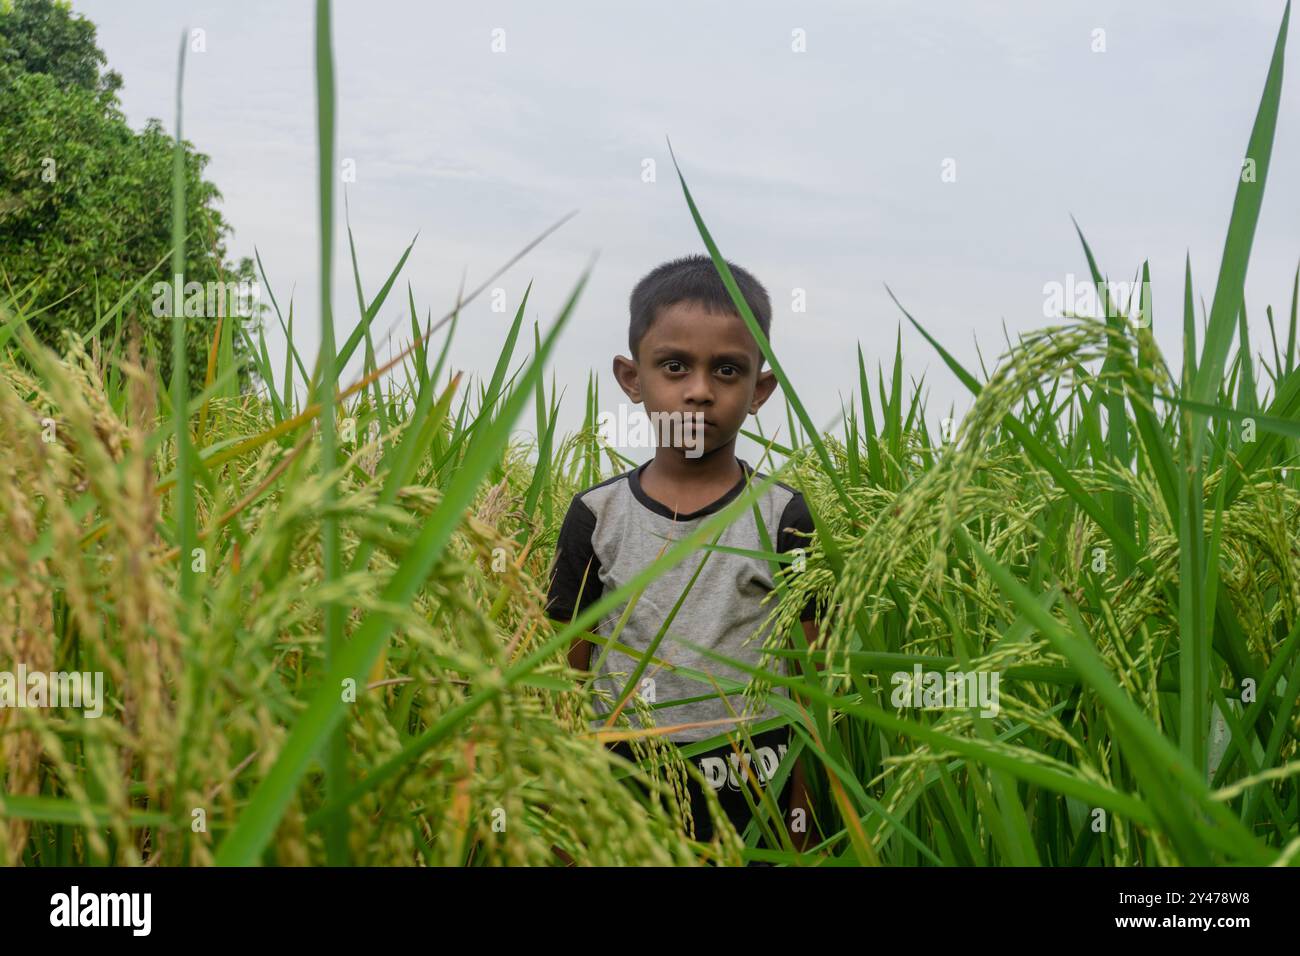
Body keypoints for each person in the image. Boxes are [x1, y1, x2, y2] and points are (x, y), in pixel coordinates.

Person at [545, 253, 820, 859]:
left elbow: (808, 681)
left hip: (753, 778)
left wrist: (803, 806)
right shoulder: (597, 517)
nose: (699, 391)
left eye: (727, 370)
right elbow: (569, 672)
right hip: (626, 776)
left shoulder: (783, 517)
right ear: (632, 377)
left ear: (759, 390)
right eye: (674, 366)